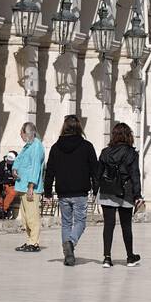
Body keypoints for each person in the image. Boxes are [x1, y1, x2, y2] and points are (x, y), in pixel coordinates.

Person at [43, 114, 99, 267]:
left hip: (63, 192)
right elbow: (95, 170)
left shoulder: (56, 147)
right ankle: (71, 243)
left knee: (66, 223)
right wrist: (96, 190)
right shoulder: (87, 146)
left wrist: (47, 193)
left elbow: (50, 172)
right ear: (79, 127)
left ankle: (68, 255)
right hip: (80, 191)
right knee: (81, 221)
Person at [96, 122, 143, 268]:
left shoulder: (105, 152)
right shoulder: (131, 153)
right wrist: (138, 195)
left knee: (108, 225)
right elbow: (135, 174)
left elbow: (98, 174)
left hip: (107, 191)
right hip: (125, 192)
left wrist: (94, 190)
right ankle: (130, 257)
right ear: (128, 136)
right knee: (126, 225)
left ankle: (107, 258)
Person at [12, 122, 44, 253]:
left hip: (31, 188)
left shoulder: (37, 146)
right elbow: (19, 160)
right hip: (22, 186)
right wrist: (14, 168)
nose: (20, 134)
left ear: (28, 133)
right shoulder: (28, 146)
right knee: (25, 217)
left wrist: (31, 186)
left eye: (22, 132)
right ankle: (29, 240)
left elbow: (35, 167)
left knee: (32, 216)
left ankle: (34, 242)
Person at [0, 151, 18, 219]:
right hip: (3, 184)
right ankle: (2, 209)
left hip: (12, 185)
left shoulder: (17, 164)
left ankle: (3, 209)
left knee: (12, 192)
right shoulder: (2, 164)